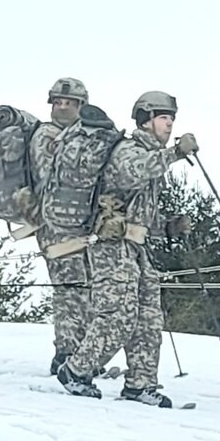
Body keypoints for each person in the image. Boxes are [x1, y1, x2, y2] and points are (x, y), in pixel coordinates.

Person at [57, 90, 196, 406]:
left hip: (135, 247)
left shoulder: (151, 155)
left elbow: (137, 211)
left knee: (148, 318)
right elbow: (136, 171)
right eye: (164, 118)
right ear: (146, 120)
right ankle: (76, 370)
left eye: (172, 119)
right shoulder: (128, 151)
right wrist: (175, 153)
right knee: (118, 314)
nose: (170, 125)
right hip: (110, 247)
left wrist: (168, 226)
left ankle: (140, 383)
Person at [34, 76, 91, 375]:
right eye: (58, 102)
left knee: (84, 288)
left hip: (78, 224)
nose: (64, 107)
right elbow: (52, 174)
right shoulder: (46, 135)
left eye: (70, 103)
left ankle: (81, 353)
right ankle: (66, 353)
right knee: (69, 289)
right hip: (56, 225)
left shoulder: (80, 136)